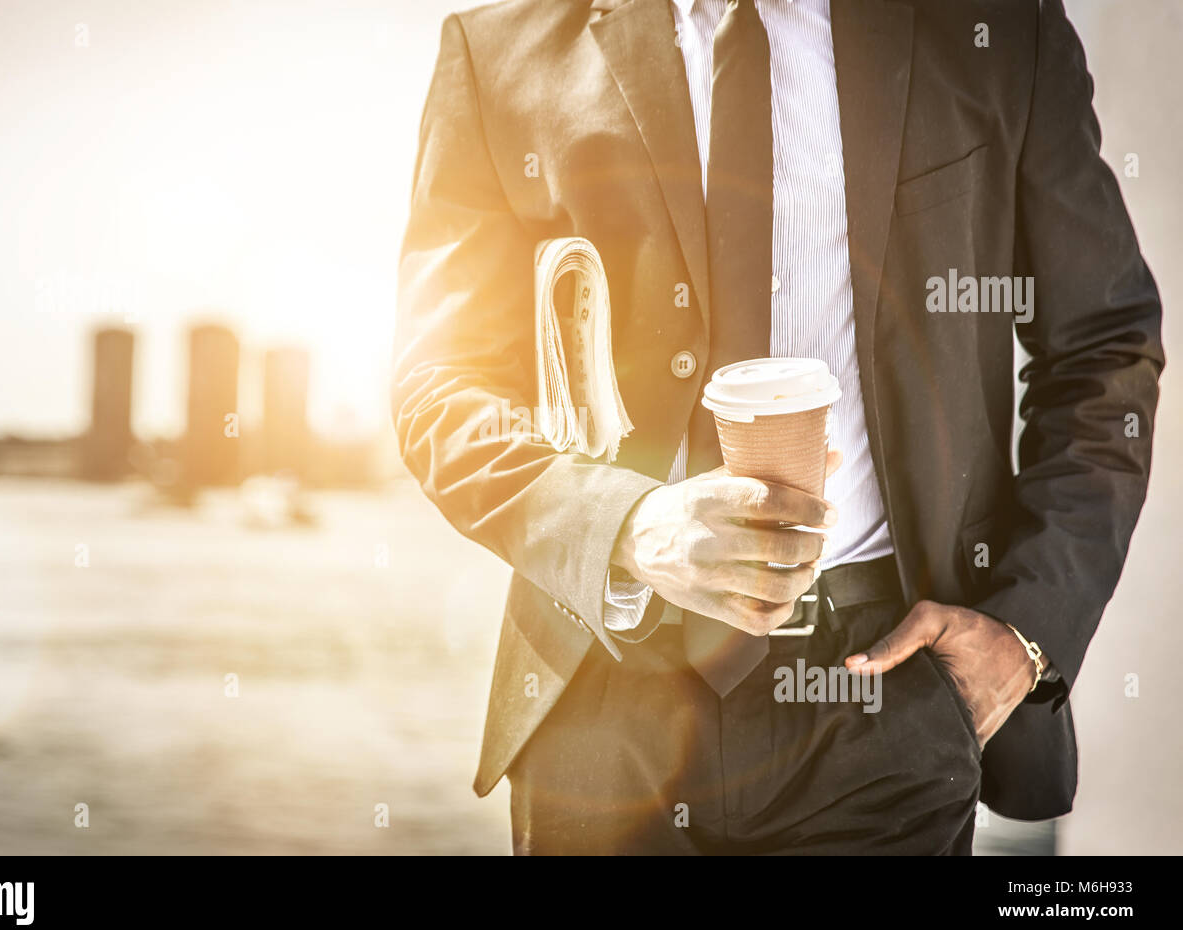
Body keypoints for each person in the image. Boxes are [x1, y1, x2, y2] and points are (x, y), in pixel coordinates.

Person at [392, 0, 1163, 854]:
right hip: (604, 704)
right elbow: (439, 386)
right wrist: (630, 526)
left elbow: (1105, 344)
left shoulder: (993, 28)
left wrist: (1023, 631)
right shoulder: (497, 51)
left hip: (888, 702)